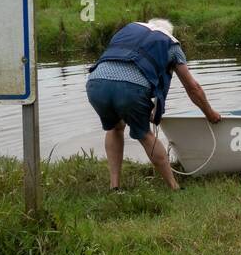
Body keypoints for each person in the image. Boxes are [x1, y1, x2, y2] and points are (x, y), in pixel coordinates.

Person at [85, 18, 222, 190]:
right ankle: (173, 187)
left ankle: (115, 187)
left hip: (96, 82)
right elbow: (193, 88)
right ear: (168, 32)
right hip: (131, 89)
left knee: (114, 127)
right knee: (145, 135)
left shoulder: (129, 29)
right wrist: (210, 113)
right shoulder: (171, 45)